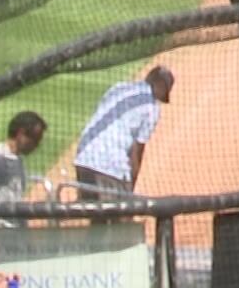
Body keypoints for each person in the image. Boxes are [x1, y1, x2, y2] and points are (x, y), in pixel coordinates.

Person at [73, 66, 172, 200]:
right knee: (117, 217)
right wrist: (130, 188)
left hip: (84, 157)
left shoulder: (119, 88)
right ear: (160, 85)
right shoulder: (151, 108)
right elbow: (137, 151)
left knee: (90, 209)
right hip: (110, 165)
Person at [0, 111, 46, 223]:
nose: (37, 145)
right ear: (21, 133)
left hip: (14, 227)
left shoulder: (18, 158)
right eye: (35, 139)